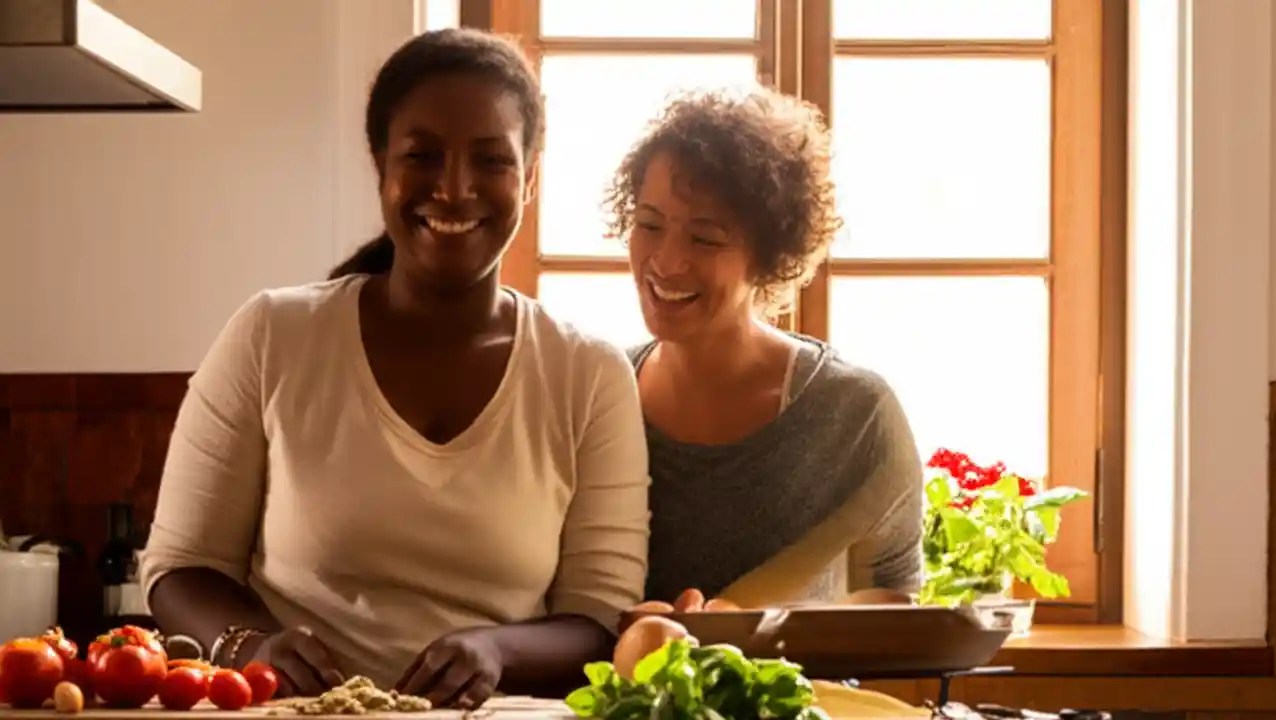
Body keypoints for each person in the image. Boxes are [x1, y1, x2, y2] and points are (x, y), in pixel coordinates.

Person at [140, 28, 649, 708]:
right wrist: (254, 645)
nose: (455, 189)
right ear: (381, 166)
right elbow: (180, 567)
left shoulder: (589, 373)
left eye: (491, 161)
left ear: (527, 179)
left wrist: (495, 650)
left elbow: (600, 620)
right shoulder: (273, 336)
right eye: (423, 156)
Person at [605, 86, 923, 609]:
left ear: (771, 254)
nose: (666, 261)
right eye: (649, 225)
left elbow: (890, 620)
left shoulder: (855, 416)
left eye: (704, 239)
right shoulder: (601, 393)